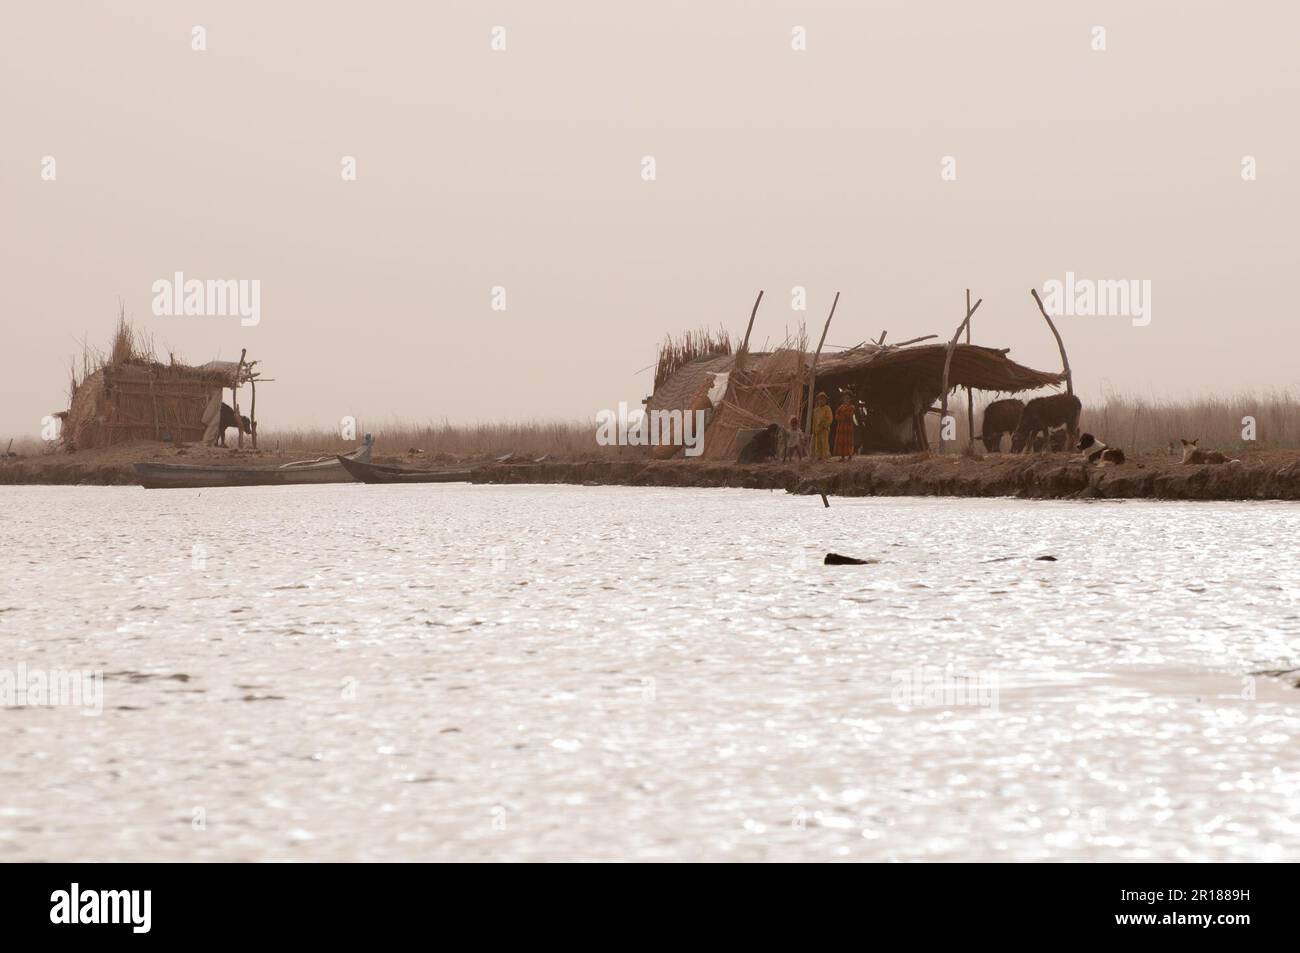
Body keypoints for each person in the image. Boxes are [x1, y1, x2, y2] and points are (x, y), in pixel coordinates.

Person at [834, 392, 856, 461]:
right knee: (842, 441)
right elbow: (836, 415)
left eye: (847, 398)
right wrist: (840, 417)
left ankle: (849, 455)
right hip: (841, 426)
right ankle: (842, 456)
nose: (846, 400)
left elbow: (850, 415)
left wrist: (843, 415)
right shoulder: (840, 407)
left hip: (848, 426)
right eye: (845, 398)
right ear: (843, 399)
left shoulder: (852, 407)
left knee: (848, 441)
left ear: (850, 399)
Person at [811, 392, 833, 460]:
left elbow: (829, 418)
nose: (821, 401)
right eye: (820, 399)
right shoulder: (816, 410)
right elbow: (814, 421)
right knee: (818, 443)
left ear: (826, 401)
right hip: (817, 430)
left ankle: (825, 455)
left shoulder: (827, 408)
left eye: (823, 399)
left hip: (824, 429)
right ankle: (819, 456)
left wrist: (824, 425)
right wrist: (814, 429)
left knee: (824, 442)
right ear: (817, 401)